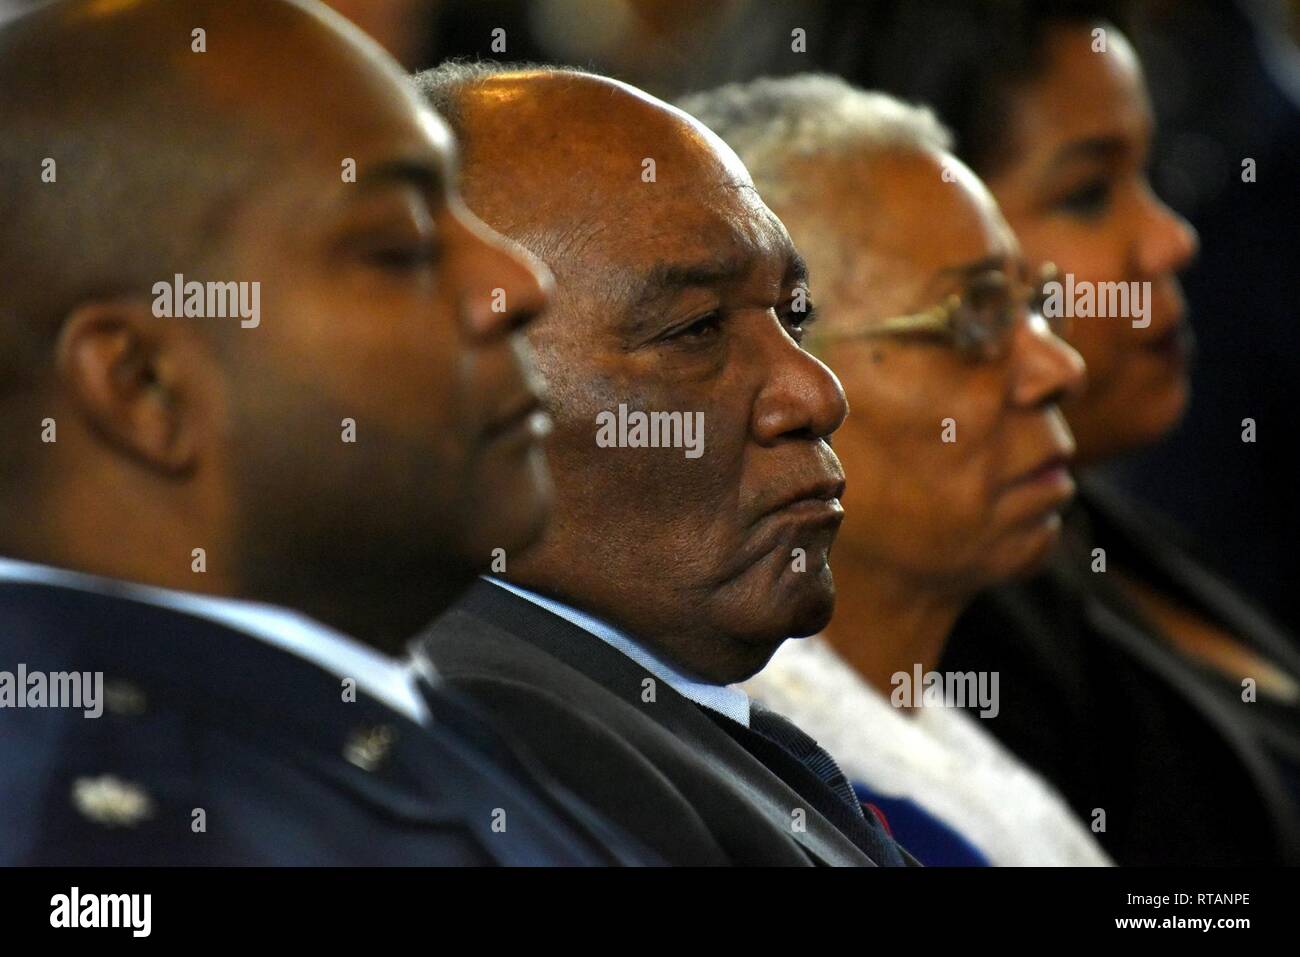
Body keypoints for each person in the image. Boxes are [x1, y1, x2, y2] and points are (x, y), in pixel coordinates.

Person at [0, 0, 651, 866]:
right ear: (142, 384)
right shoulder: (124, 841)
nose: (517, 280)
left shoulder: (339, 718)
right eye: (401, 244)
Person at [415, 62, 913, 866]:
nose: (814, 393)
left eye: (795, 316)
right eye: (696, 329)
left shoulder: (641, 707)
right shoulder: (507, 744)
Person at [852, 1, 1300, 864]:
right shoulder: (940, 631)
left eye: (1153, 170)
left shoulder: (1094, 530)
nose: (1172, 240)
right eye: (1088, 193)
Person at [681, 75, 1109, 866]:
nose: (1059, 366)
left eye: (1033, 304)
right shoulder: (753, 802)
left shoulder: (943, 728)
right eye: (975, 316)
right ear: (789, 379)